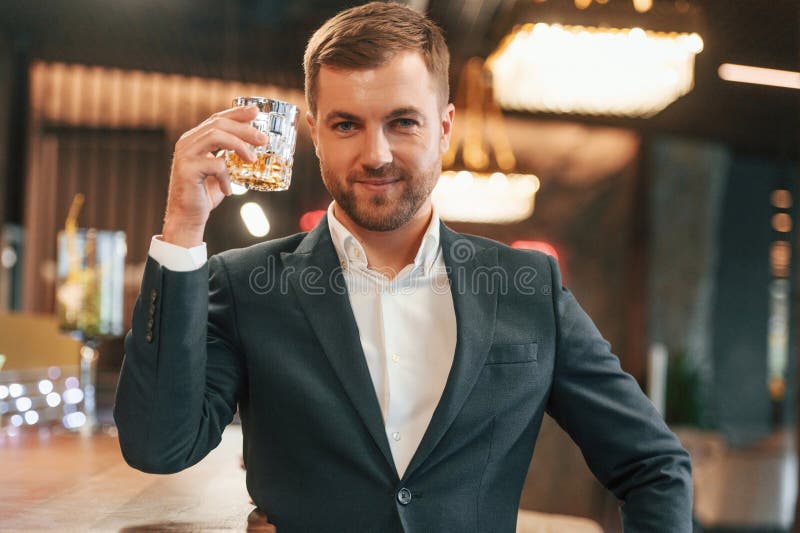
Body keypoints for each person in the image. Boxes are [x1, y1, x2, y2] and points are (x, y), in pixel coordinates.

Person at [114, 2, 692, 531]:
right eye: (347, 125)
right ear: (315, 133)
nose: (377, 154)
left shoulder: (527, 287)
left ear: (443, 127)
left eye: (403, 122)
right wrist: (183, 231)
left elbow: (654, 466)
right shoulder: (243, 285)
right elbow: (159, 447)